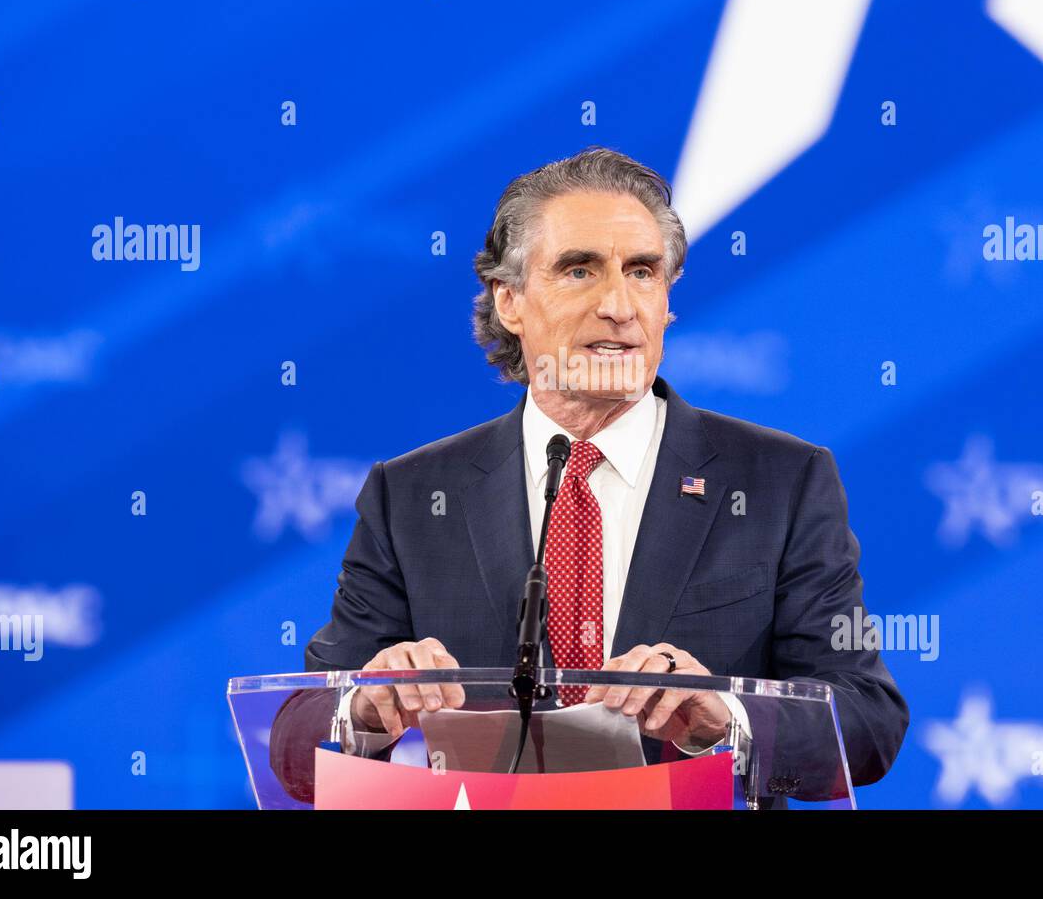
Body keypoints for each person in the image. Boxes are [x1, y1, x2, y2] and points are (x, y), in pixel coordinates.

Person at [269, 146, 908, 803]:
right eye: (579, 271)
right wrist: (364, 709)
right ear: (510, 301)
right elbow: (294, 743)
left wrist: (729, 716)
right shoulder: (411, 496)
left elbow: (867, 720)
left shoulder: (782, 482)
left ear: (668, 302)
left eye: (643, 272)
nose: (619, 305)